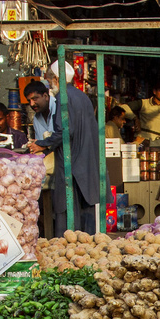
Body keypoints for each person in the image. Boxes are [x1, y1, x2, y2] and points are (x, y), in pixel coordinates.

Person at [26, 66, 100, 235]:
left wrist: (43, 144)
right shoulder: (82, 96)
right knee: (85, 216)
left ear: (57, 79)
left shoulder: (63, 97)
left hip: (71, 163)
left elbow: (64, 130)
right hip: (85, 162)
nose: (50, 85)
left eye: (50, 80)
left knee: (67, 213)